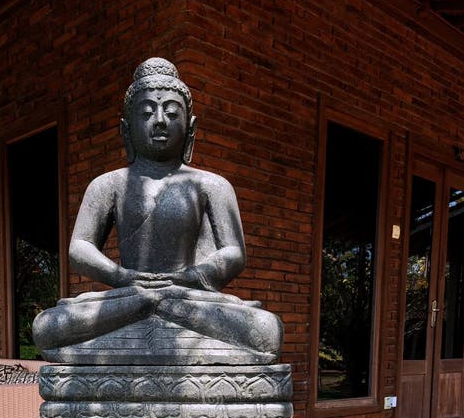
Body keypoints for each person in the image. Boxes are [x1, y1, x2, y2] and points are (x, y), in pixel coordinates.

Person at [32, 58, 283, 360]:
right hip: (129, 292)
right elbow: (80, 247)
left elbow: (233, 253)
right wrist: (123, 277)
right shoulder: (107, 185)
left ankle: (156, 306)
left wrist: (189, 277)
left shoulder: (212, 185)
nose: (160, 120)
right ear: (127, 128)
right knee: (47, 326)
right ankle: (151, 305)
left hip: (188, 295)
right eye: (147, 112)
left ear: (190, 127)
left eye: (172, 112)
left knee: (267, 330)